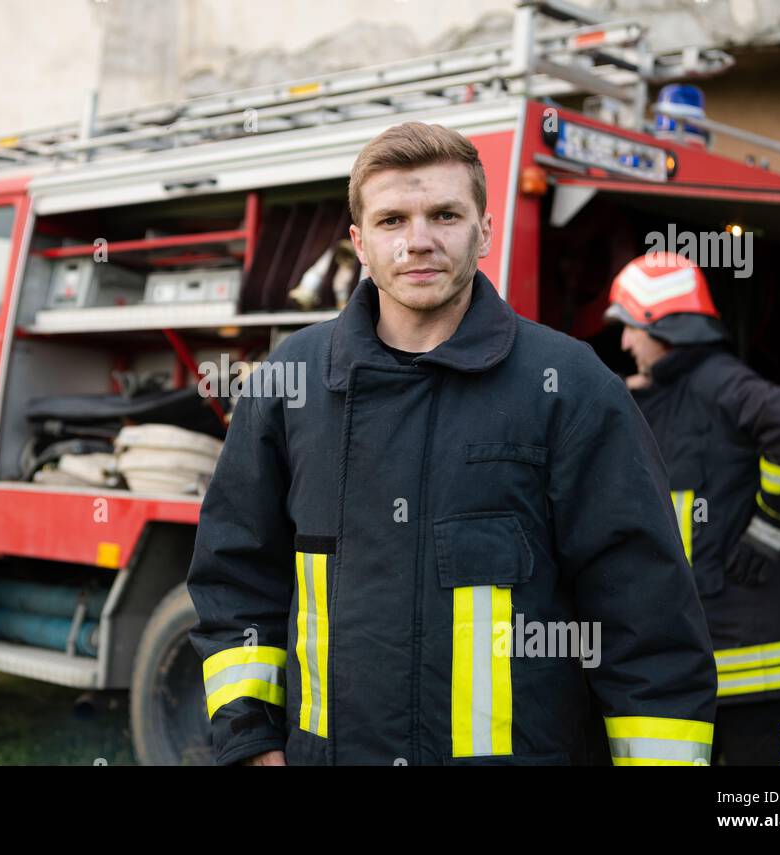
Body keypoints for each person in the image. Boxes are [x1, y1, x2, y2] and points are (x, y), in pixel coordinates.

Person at [187, 121, 717, 766]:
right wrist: (251, 742)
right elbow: (237, 575)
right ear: (358, 241)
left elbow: (646, 612)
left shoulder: (571, 388)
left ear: (484, 232)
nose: (419, 241)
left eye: (445, 214)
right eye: (391, 220)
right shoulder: (289, 385)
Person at [607, 252, 780, 766]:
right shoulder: (675, 390)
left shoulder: (717, 381)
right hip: (694, 654)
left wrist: (773, 521)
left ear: (657, 324)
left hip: (752, 659)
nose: (623, 343)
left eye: (628, 328)